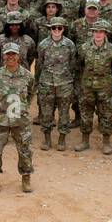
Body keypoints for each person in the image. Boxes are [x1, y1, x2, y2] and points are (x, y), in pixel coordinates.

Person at [0, 42, 37, 193]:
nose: (10, 57)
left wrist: (22, 108)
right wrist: (0, 108)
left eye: (13, 54)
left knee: (25, 150)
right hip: (0, 119)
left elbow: (31, 93)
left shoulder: (27, 76)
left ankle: (26, 178)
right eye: (8, 54)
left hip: (20, 120)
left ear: (18, 56)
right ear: (3, 56)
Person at [76, 21, 112, 154]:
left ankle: (106, 143)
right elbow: (79, 65)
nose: (98, 34)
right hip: (87, 87)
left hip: (105, 88)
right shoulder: (84, 48)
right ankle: (84, 141)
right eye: (96, 31)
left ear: (105, 33)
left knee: (105, 114)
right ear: (92, 33)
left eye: (101, 31)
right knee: (85, 114)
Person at [34, 17, 75, 152]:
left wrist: (70, 81)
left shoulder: (69, 45)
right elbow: (39, 64)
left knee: (64, 114)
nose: (56, 30)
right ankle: (47, 139)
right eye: (53, 28)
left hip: (64, 84)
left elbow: (73, 64)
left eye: (59, 28)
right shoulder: (43, 45)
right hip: (46, 83)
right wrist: (38, 82)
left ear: (63, 29)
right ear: (50, 29)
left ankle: (62, 139)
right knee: (46, 113)